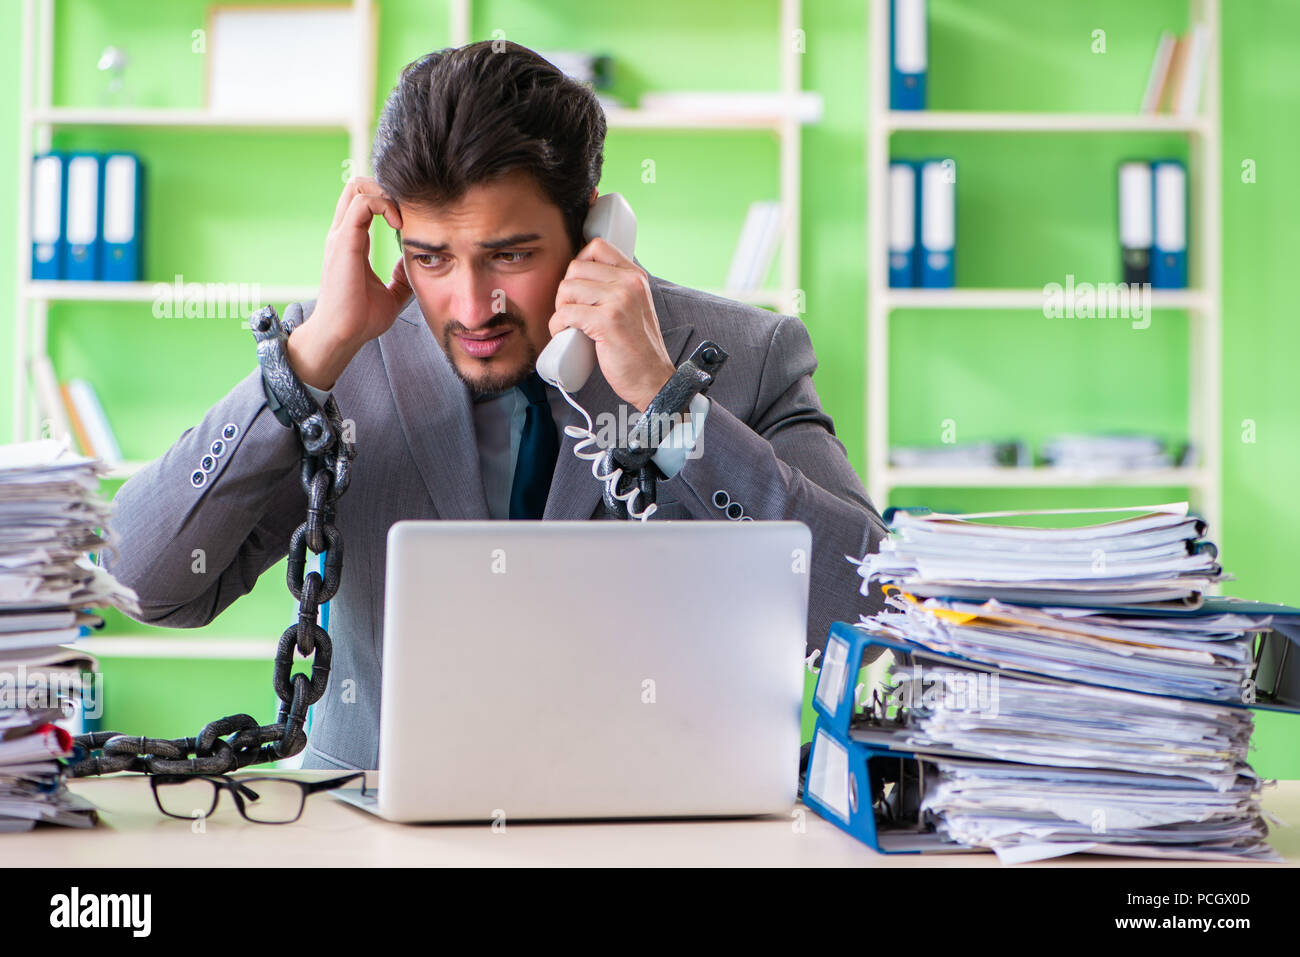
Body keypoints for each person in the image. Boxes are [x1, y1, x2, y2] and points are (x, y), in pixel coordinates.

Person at [104, 41, 889, 771]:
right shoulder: (341, 363)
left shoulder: (747, 355)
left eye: (509, 255)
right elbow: (141, 583)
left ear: (589, 222)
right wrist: (305, 361)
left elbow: (875, 623)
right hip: (372, 839)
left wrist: (668, 404)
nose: (472, 306)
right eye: (432, 258)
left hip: (659, 837)